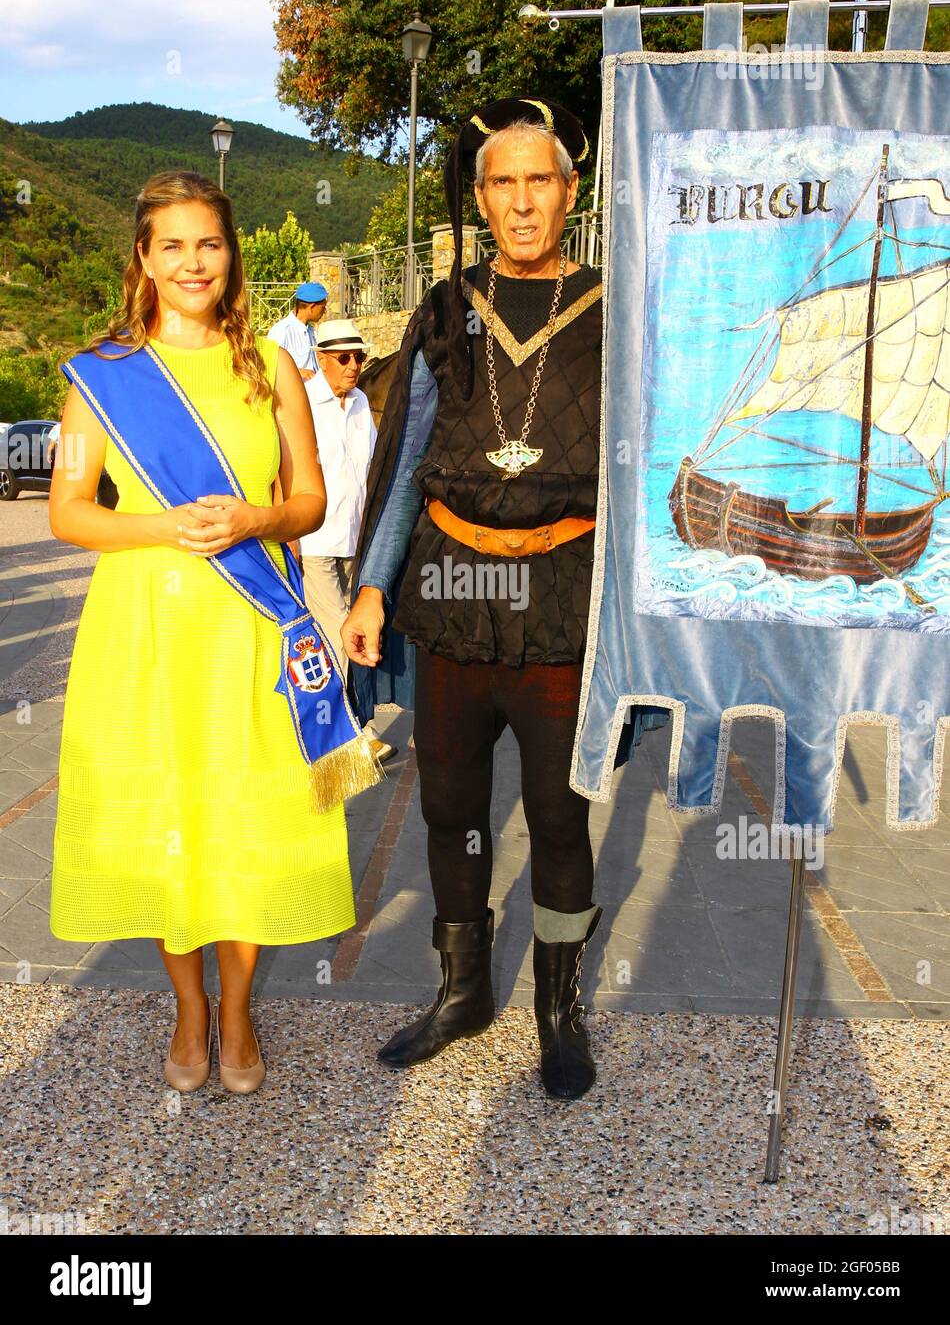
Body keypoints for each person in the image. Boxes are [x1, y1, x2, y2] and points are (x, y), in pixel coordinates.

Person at [343, 98, 664, 1100]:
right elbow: (404, 470)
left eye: (541, 181)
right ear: (480, 200)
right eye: (502, 184)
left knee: (558, 818)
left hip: (562, 591)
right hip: (449, 587)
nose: (521, 202)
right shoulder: (445, 307)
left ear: (571, 193)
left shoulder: (619, 309)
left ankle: (558, 1010)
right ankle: (461, 992)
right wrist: (369, 585)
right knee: (446, 806)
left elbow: (645, 466)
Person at [49, 170, 376, 1096]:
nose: (194, 262)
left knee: (246, 816)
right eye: (174, 246)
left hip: (247, 625)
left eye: (211, 244)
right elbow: (71, 510)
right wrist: (164, 525)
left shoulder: (270, 367)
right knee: (171, 814)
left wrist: (250, 522)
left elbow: (310, 501)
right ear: (145, 260)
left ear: (229, 257)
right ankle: (186, 1005)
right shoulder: (101, 375)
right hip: (144, 627)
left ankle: (234, 1008)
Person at [299, 318, 396, 765]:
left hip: (357, 540)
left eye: (359, 357)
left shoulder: (360, 404)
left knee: (356, 633)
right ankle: (357, 734)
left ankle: (348, 728)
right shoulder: (303, 404)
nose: (354, 365)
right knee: (341, 635)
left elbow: (373, 466)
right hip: (317, 538)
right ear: (321, 359)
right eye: (344, 358)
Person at [267, 282, 327, 380]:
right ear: (311, 307)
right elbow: (269, 366)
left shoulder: (312, 332)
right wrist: (298, 372)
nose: (324, 311)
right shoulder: (282, 331)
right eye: (322, 307)